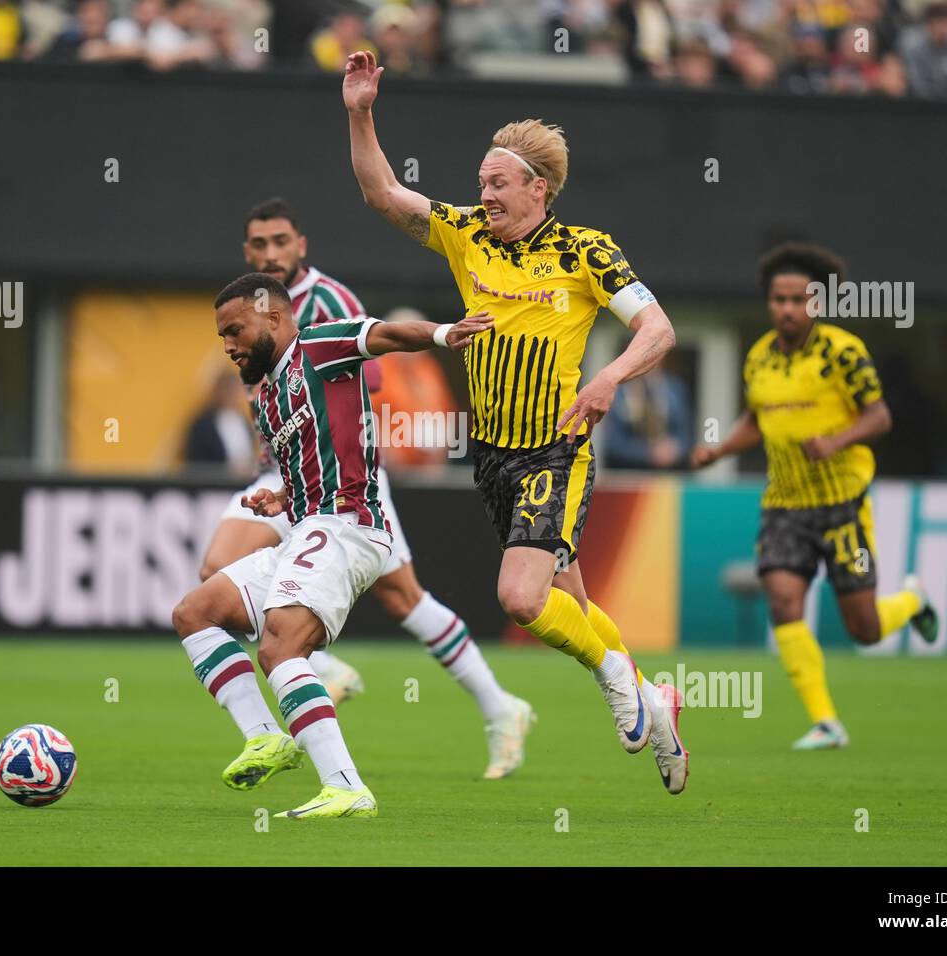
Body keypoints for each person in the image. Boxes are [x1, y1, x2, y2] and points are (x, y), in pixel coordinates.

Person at [342, 50, 689, 794]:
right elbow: (382, 193)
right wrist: (360, 111)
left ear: (539, 188)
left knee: (522, 599)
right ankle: (654, 698)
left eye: (497, 184)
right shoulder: (466, 234)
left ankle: (621, 684)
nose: (484, 196)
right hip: (493, 455)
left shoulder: (584, 250)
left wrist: (608, 377)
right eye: (481, 185)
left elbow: (658, 330)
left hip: (555, 450)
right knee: (576, 608)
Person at [200, 198, 536, 780]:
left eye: (281, 241)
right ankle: (312, 665)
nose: (271, 253)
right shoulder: (246, 308)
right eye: (260, 244)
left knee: (403, 597)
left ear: (301, 245)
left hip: (340, 478)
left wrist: (335, 446)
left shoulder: (328, 303)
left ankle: (499, 705)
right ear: (248, 252)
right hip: (283, 474)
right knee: (215, 572)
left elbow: (370, 369)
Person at [170, 273, 492, 819]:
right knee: (195, 612)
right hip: (309, 527)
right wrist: (281, 497)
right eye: (222, 335)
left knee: (278, 648)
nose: (227, 345)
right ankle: (265, 737)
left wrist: (442, 335)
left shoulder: (320, 347)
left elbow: (387, 335)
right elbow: (309, 473)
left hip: (350, 525)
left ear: (272, 316)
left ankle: (346, 786)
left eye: (235, 330)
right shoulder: (268, 398)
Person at [690, 242, 939, 750]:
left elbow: (879, 416)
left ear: (817, 303)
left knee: (864, 628)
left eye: (798, 300)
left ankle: (913, 600)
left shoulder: (842, 352)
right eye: (778, 300)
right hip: (784, 505)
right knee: (783, 600)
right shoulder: (760, 357)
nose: (786, 309)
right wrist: (720, 450)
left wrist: (835, 441)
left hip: (842, 502)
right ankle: (826, 721)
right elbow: (758, 420)